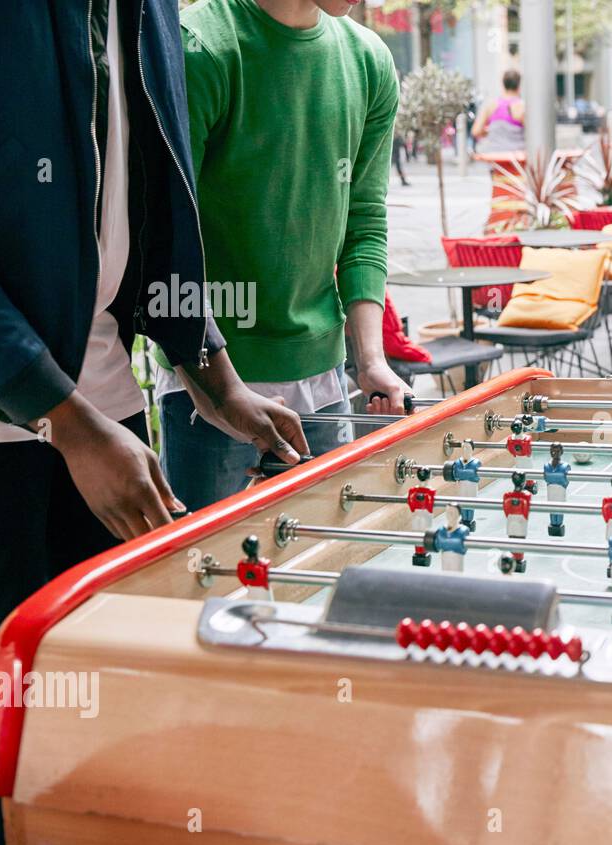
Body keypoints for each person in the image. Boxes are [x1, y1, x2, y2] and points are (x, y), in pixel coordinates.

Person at [0, 0, 308, 845]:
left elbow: (160, 210)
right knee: (9, 752)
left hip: (109, 423)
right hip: (25, 436)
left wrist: (214, 374)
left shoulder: (154, 12)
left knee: (89, 734)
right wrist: (60, 415)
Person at [157, 0, 408, 511]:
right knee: (199, 578)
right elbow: (163, 240)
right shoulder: (197, 47)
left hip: (326, 380)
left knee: (317, 565)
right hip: (209, 381)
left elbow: (364, 220)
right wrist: (217, 390)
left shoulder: (370, 62)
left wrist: (370, 360)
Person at [471, 70, 526, 153]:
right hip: (517, 157)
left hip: (495, 156)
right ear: (519, 85)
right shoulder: (522, 107)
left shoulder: (490, 106)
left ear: (503, 85)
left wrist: (491, 132)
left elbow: (476, 131)